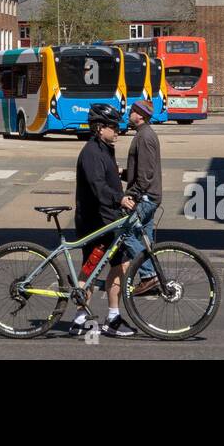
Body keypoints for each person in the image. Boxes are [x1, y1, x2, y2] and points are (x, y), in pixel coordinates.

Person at [70, 102, 135, 338]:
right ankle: (79, 319)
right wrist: (120, 199)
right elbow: (98, 187)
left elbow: (107, 178)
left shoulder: (105, 149)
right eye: (113, 127)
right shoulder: (90, 153)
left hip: (109, 220)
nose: (118, 130)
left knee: (122, 265)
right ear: (99, 128)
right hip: (94, 223)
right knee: (90, 270)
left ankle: (113, 317)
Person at [121, 99, 162, 293]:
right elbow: (141, 170)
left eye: (133, 110)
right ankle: (154, 279)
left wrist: (132, 195)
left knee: (126, 232)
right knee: (145, 239)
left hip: (145, 197)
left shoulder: (144, 137)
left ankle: (149, 275)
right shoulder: (144, 134)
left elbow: (145, 174)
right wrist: (122, 173)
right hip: (150, 195)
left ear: (141, 115)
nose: (129, 113)